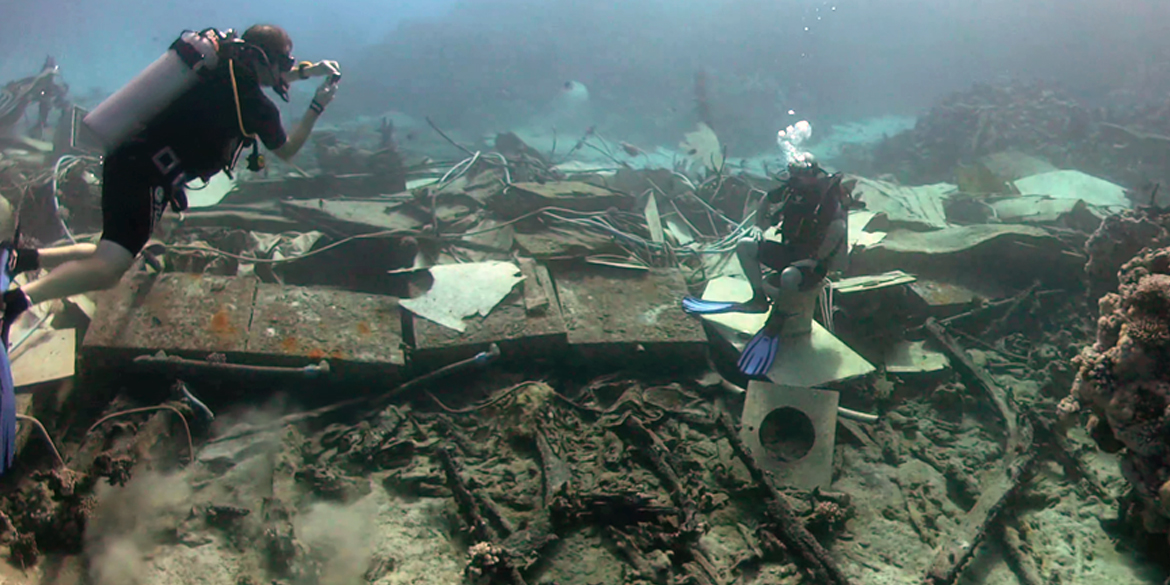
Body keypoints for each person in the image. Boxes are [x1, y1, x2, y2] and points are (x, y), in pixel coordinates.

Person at [0, 24, 342, 340]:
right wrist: (317, 105)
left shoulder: (223, 66)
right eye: (286, 61)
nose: (288, 69)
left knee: (114, 250)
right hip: (147, 176)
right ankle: (14, 302)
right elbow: (287, 150)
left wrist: (311, 71)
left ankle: (23, 259)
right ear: (265, 58)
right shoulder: (257, 106)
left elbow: (269, 74)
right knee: (109, 269)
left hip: (130, 158)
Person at [681, 161, 855, 377]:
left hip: (814, 262)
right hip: (790, 251)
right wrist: (757, 225)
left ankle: (778, 319)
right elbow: (766, 198)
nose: (793, 180)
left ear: (811, 176)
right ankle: (758, 299)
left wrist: (816, 259)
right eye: (792, 175)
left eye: (797, 176)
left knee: (789, 276)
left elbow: (839, 228)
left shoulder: (827, 197)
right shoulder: (793, 188)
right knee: (745, 246)